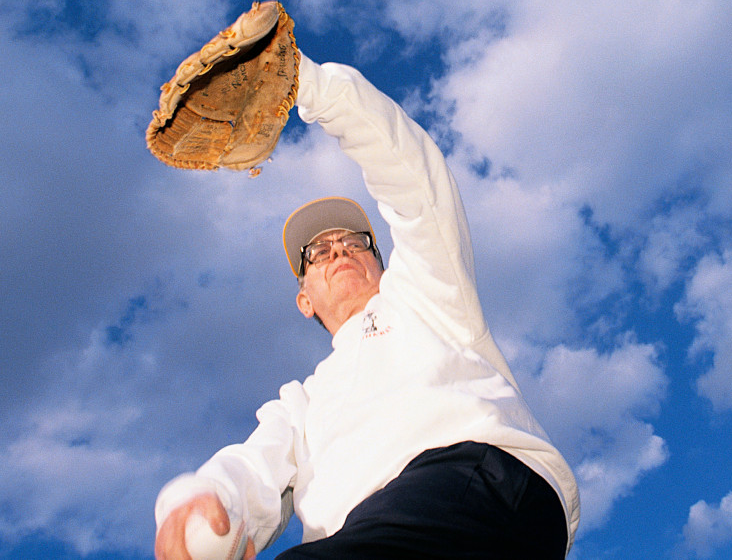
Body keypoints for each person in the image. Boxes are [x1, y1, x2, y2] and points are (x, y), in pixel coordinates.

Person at [154, 50, 580, 559]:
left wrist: (306, 84)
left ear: (382, 263)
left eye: (355, 242)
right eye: (317, 253)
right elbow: (255, 466)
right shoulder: (302, 403)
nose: (338, 250)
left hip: (477, 481)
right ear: (304, 300)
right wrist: (205, 499)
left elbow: (414, 183)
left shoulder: (425, 294)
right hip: (361, 531)